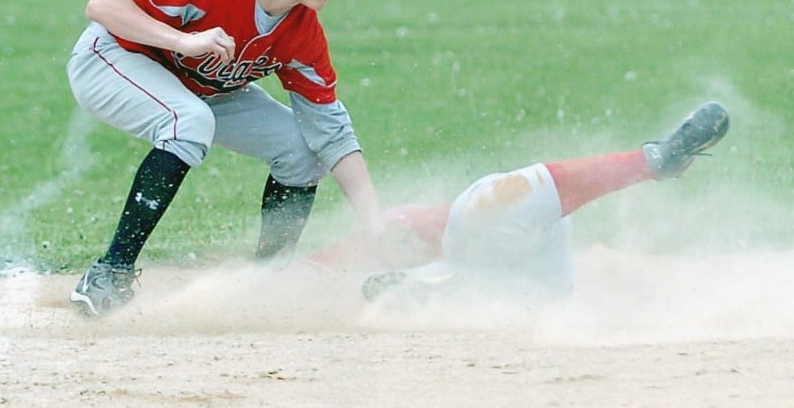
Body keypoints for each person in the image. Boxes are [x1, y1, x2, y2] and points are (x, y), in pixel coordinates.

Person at [67, 0, 383, 317]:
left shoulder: (303, 34)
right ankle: (111, 271)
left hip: (201, 87)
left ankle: (265, 281)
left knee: (303, 152)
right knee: (188, 120)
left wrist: (381, 230)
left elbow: (334, 136)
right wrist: (182, 41)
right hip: (110, 58)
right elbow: (102, 7)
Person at [310, 101, 730, 305]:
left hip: (502, 268)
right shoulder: (405, 227)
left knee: (524, 297)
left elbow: (325, 264)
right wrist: (281, 277)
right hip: (473, 247)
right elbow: (322, 264)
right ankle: (654, 160)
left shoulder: (399, 232)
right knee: (524, 191)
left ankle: (428, 295)